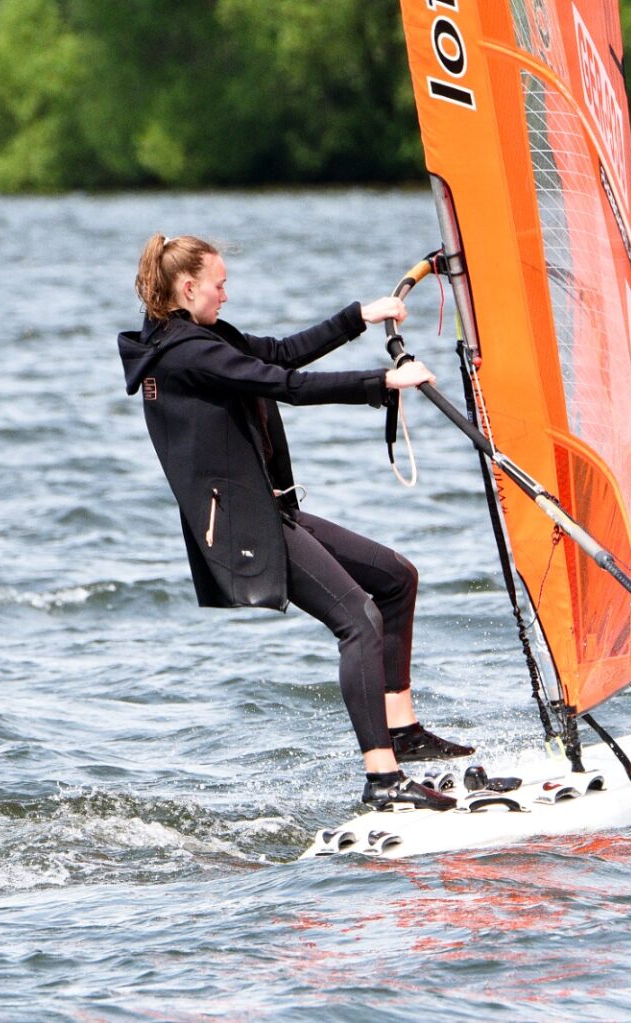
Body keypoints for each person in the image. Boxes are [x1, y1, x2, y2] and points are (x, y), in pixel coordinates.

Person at [117, 234, 474, 812]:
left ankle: (402, 730)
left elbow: (280, 354)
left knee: (394, 578)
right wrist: (380, 384)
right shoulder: (187, 355)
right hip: (243, 525)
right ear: (188, 289)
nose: (225, 295)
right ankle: (382, 778)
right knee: (358, 618)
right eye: (219, 284)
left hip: (272, 507)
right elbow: (287, 387)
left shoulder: (205, 338)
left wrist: (360, 316)